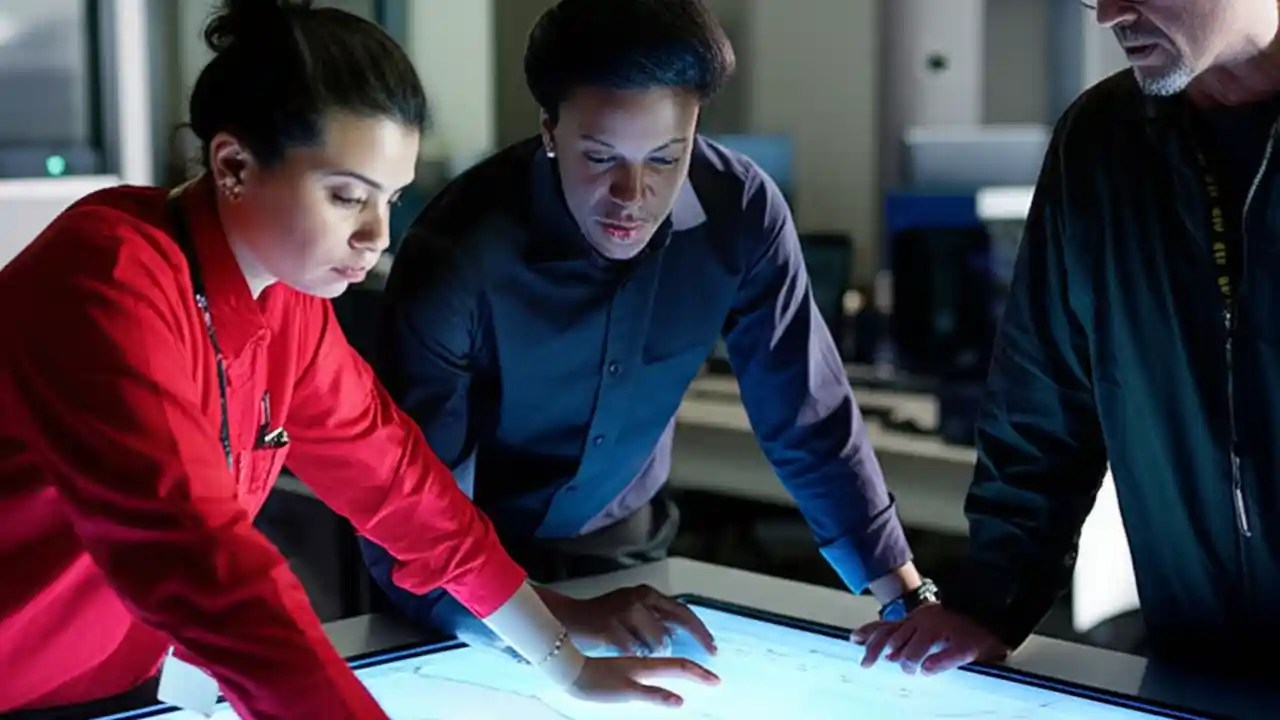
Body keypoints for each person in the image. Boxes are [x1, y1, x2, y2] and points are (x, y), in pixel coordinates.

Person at [0, 1, 720, 717]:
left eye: (392, 199)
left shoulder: (290, 308)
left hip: (112, 691)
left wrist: (564, 666)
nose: (375, 235)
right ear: (234, 164)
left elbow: (411, 498)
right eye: (347, 197)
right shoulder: (107, 279)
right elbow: (202, 562)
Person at [359, 0, 933, 659]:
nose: (632, 195)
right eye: (600, 157)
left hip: (626, 550)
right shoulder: (460, 255)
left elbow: (805, 413)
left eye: (665, 158)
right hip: (467, 572)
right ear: (550, 128)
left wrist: (905, 596)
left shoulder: (739, 213)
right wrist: (557, 620)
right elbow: (413, 518)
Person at [853, 0, 1280, 680]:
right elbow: (1042, 399)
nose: (1109, 15)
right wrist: (990, 602)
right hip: (1196, 668)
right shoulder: (1102, 139)